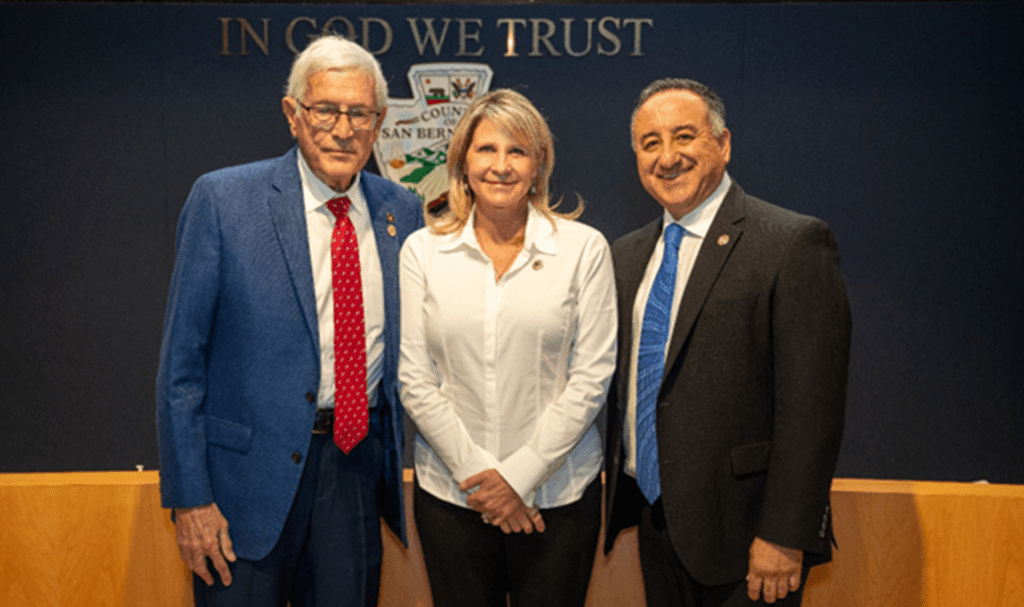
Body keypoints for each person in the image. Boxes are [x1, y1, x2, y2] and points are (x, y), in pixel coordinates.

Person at [155, 35, 423, 607]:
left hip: (354, 468)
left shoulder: (403, 211)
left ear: (379, 123)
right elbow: (181, 368)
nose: (343, 129)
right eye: (326, 110)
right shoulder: (224, 201)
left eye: (361, 114)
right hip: (239, 489)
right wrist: (191, 499)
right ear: (293, 114)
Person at [603, 78, 852, 607]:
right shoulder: (626, 256)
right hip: (657, 522)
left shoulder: (791, 243)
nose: (667, 156)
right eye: (650, 143)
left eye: (684, 136)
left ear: (723, 144)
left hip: (750, 538)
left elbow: (814, 410)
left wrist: (786, 534)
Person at [398, 89, 617, 607]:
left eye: (517, 151)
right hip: (452, 498)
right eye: (486, 149)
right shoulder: (422, 251)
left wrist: (518, 480)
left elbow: (592, 378)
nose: (501, 166)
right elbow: (414, 377)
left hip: (559, 499)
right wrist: (486, 484)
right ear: (462, 162)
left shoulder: (584, 249)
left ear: (539, 165)